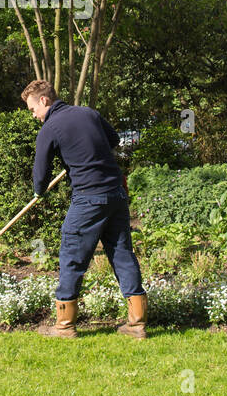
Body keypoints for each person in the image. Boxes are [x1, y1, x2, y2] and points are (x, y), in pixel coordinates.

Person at [21, 79, 146, 339]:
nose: (34, 116)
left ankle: (64, 325)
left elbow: (41, 171)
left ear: (44, 100)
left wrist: (38, 191)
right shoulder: (88, 113)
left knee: (71, 254)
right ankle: (137, 324)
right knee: (122, 252)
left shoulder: (50, 127)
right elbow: (113, 140)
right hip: (116, 194)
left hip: (89, 198)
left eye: (33, 109)